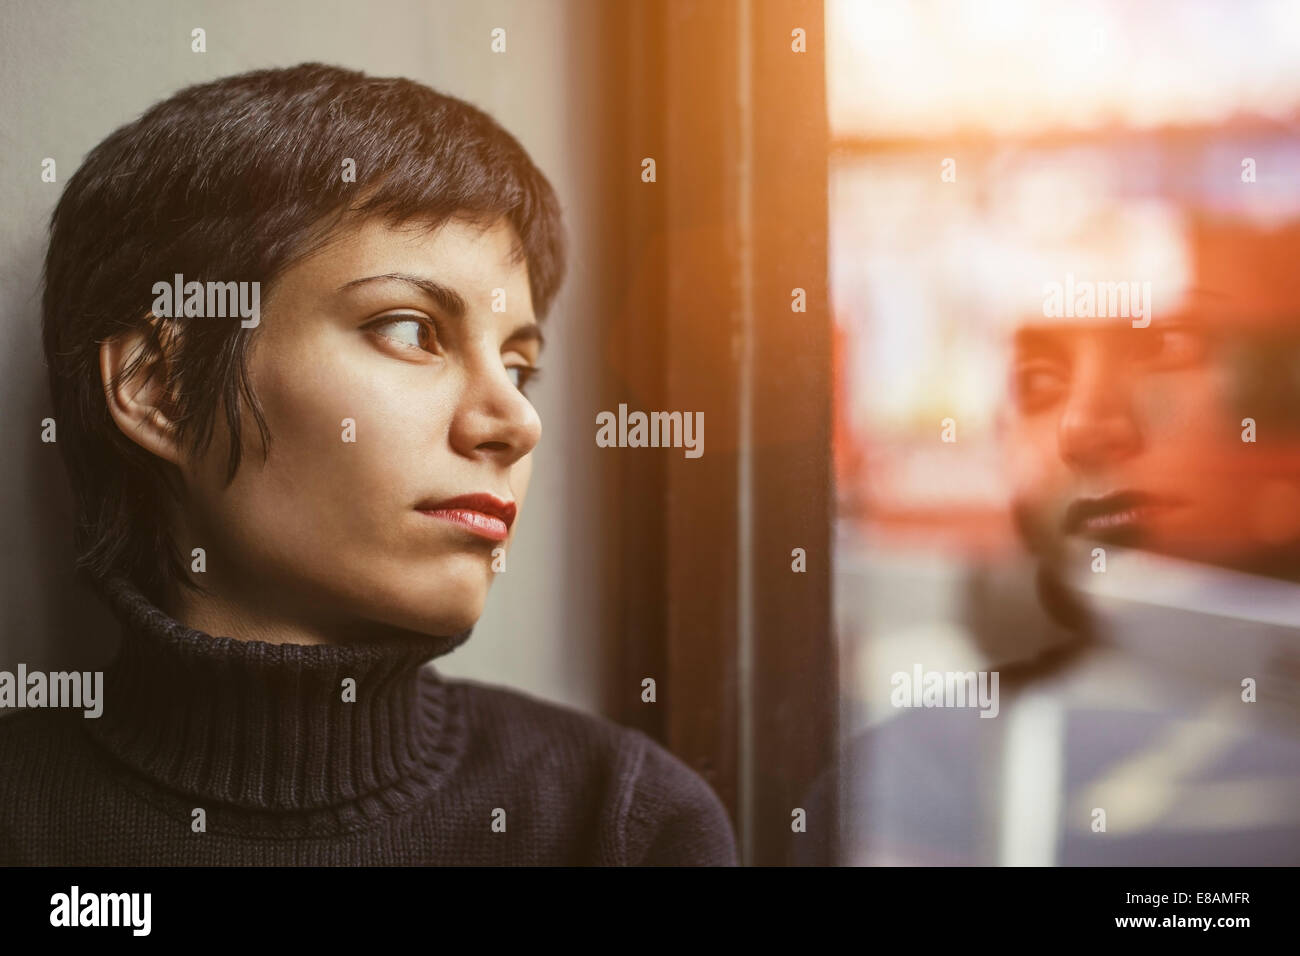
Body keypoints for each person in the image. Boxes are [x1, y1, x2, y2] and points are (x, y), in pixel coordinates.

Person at [0, 62, 737, 866]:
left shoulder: (619, 826)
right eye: (411, 330)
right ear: (158, 388)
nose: (516, 422)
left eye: (520, 366)